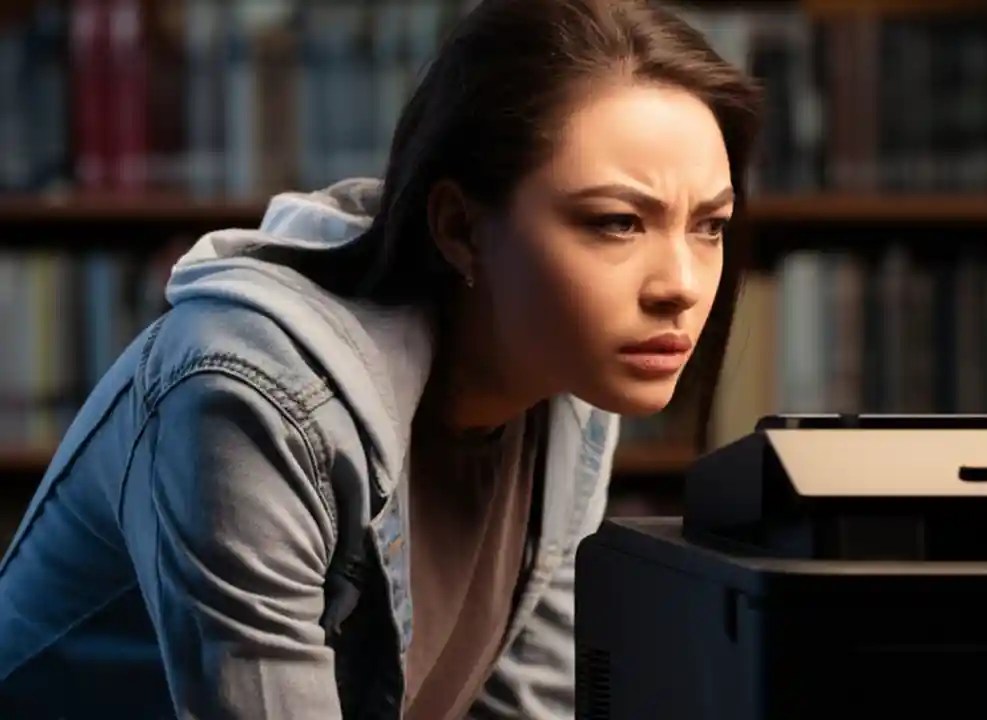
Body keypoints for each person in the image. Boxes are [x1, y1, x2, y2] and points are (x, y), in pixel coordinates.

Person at [0, 0, 762, 717]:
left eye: (710, 225)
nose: (682, 287)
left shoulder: (572, 381)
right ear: (461, 228)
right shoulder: (250, 400)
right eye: (617, 222)